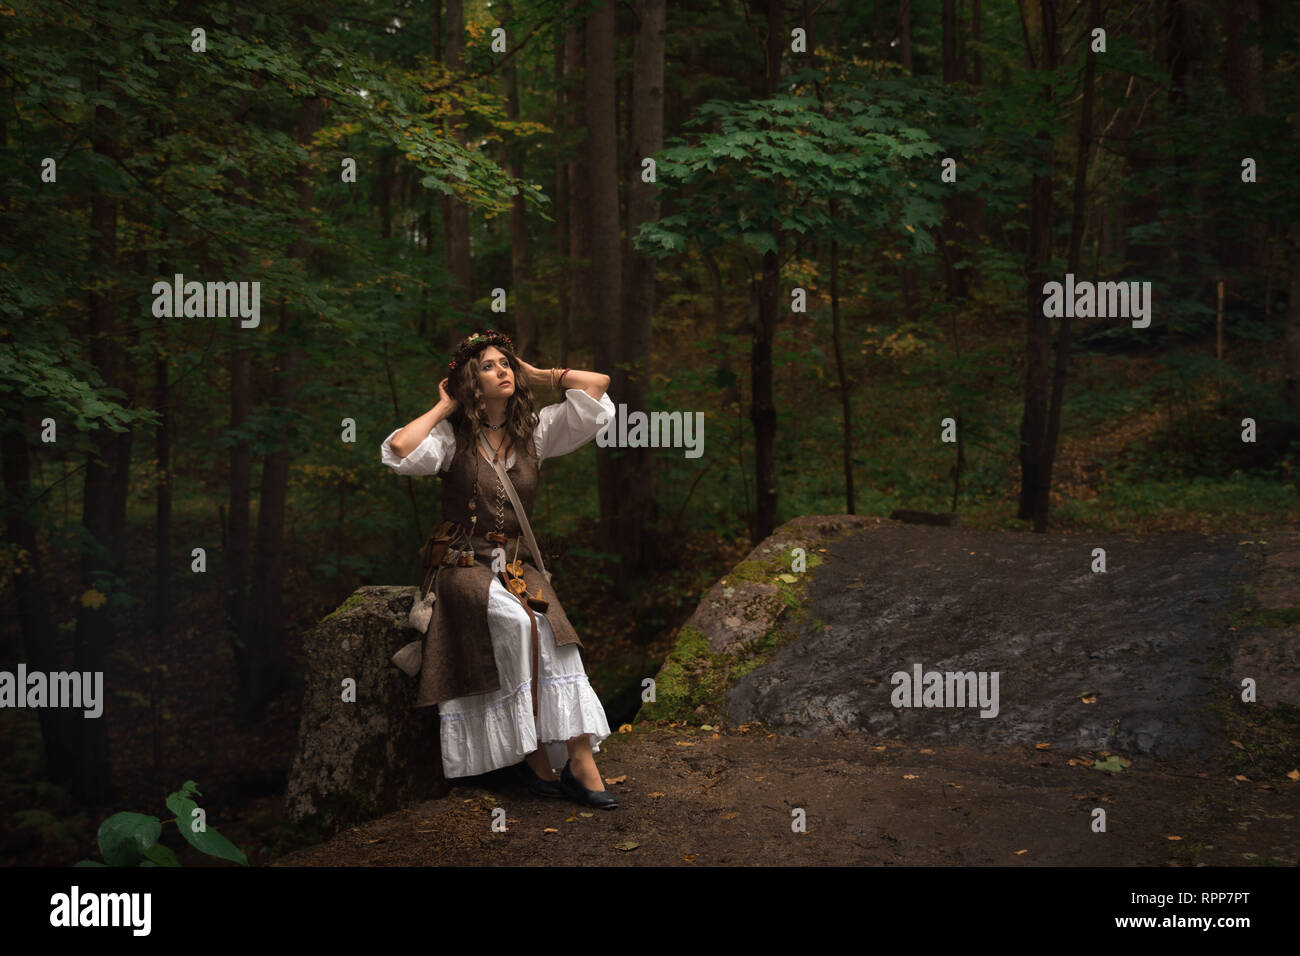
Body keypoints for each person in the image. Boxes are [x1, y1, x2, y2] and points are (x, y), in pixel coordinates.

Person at [380, 329, 618, 809]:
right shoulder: (452, 438)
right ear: (471, 381)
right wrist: (444, 408)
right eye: (488, 366)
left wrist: (540, 374)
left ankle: (578, 757)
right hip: (460, 564)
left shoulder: (537, 430)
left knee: (555, 633)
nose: (502, 370)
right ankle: (529, 751)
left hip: (515, 564)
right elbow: (401, 449)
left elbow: (598, 385)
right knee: (515, 624)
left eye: (505, 363)